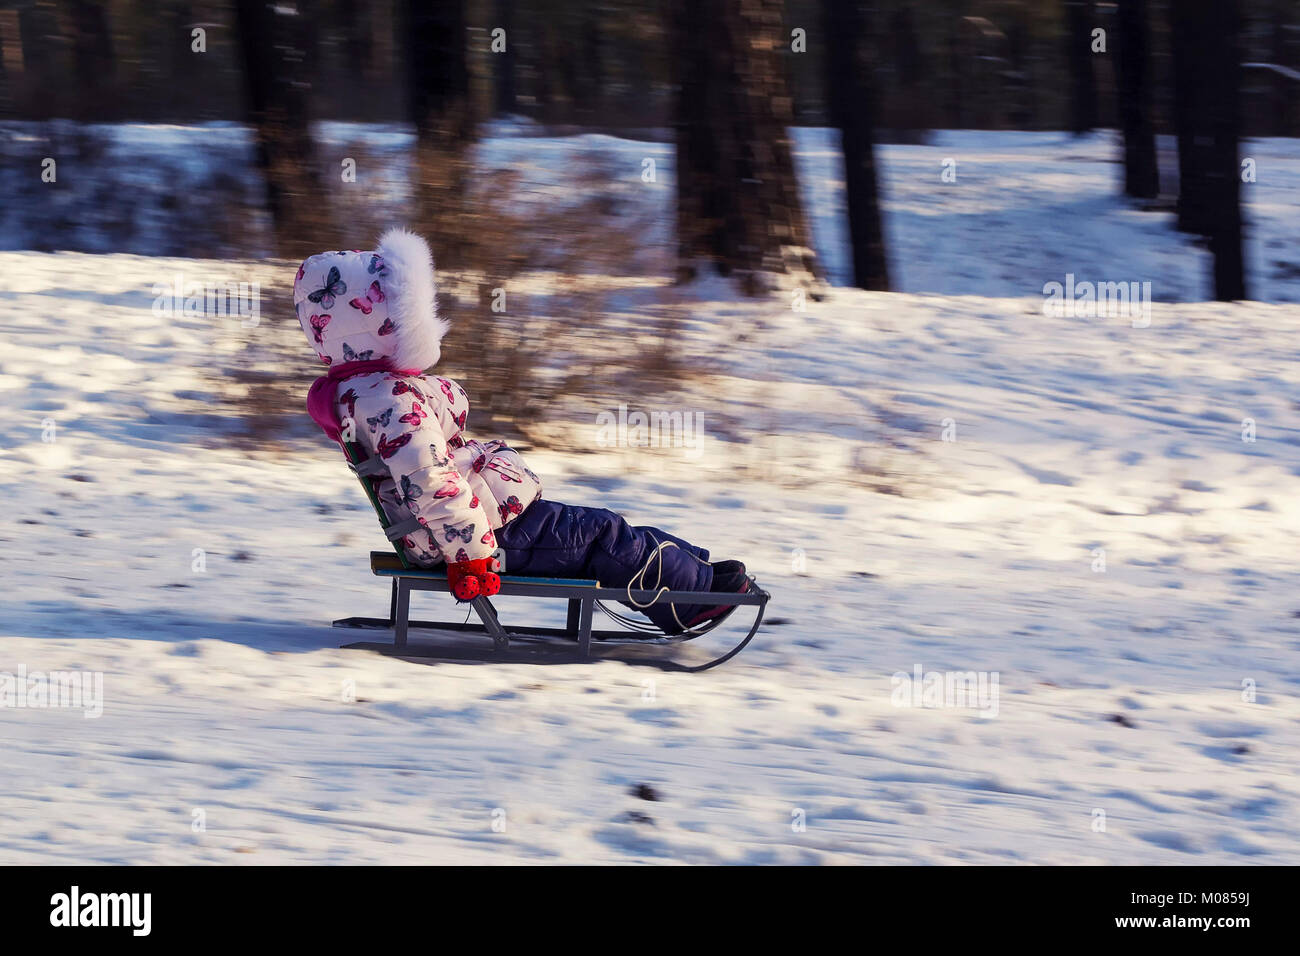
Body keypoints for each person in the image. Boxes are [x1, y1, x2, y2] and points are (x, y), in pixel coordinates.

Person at [296, 228, 749, 635]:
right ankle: (692, 601)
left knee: (603, 530)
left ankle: (698, 573)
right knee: (605, 535)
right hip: (486, 536)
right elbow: (432, 482)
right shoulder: (390, 400)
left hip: (488, 519)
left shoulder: (365, 393)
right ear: (382, 321)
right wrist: (472, 556)